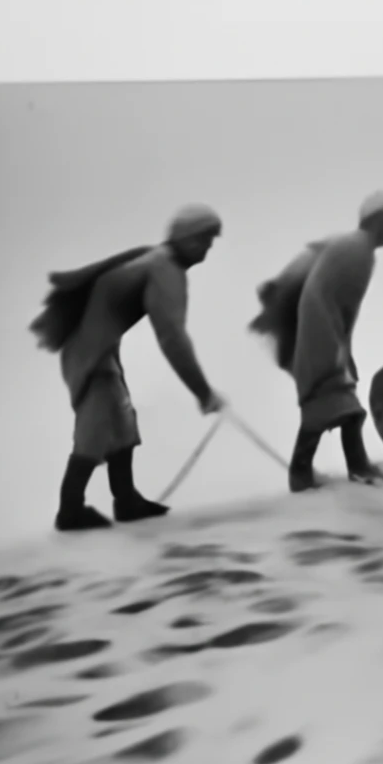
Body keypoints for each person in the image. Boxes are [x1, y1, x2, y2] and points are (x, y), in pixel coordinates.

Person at [29, 204, 227, 532]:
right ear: (189, 239)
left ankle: (126, 499)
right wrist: (203, 393)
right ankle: (70, 510)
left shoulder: (157, 260)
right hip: (90, 354)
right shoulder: (165, 269)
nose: (209, 245)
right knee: (96, 426)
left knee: (121, 420)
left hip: (97, 351)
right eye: (206, 238)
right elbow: (172, 338)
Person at [248, 190, 383, 491]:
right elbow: (324, 302)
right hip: (320, 340)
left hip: (325, 340)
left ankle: (328, 471)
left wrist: (344, 352)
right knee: (338, 409)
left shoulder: (355, 247)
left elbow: (318, 282)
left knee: (337, 410)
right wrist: (332, 349)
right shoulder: (356, 248)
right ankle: (327, 472)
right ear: (377, 219)